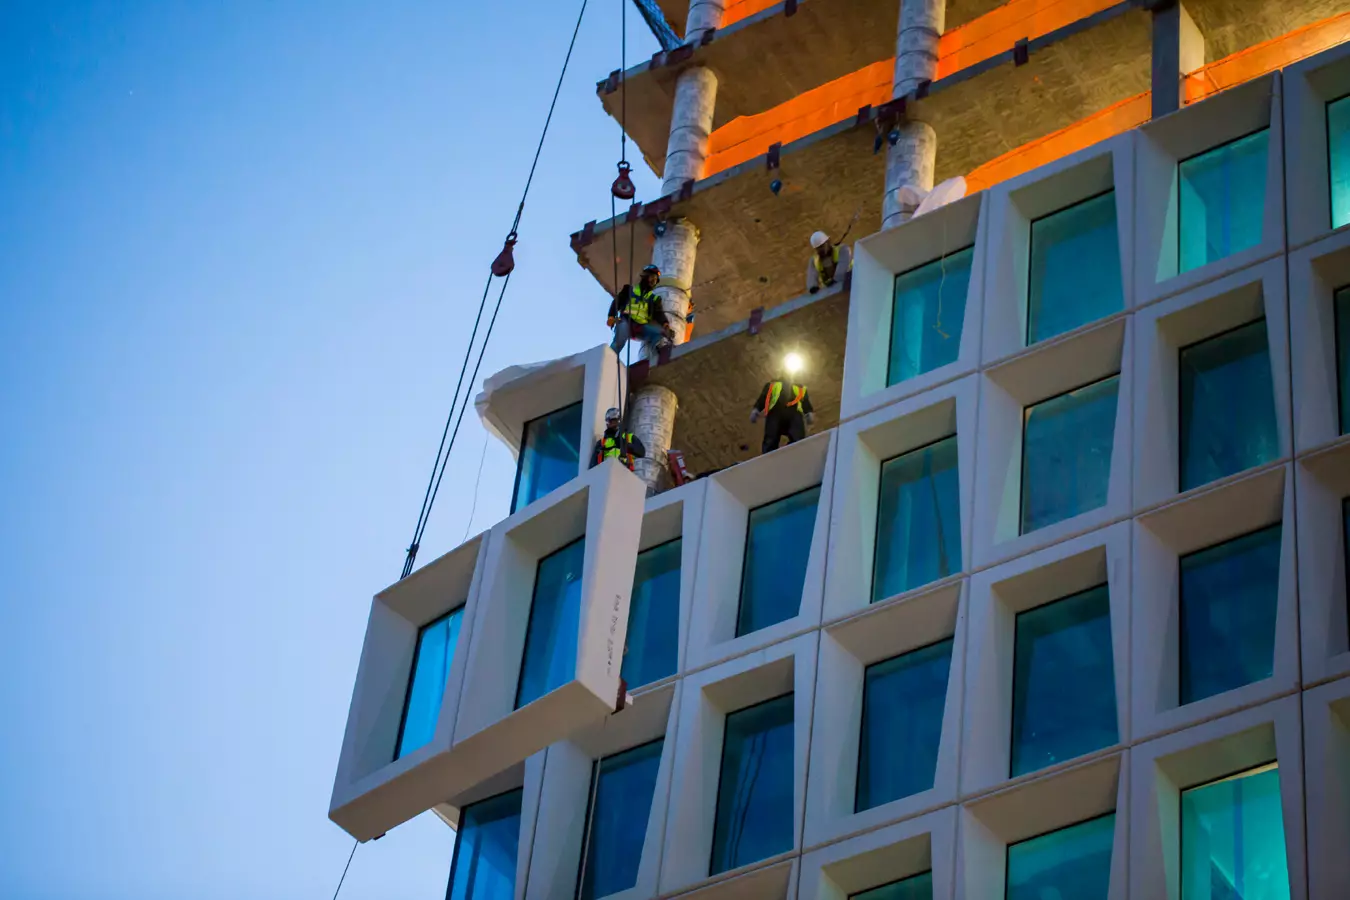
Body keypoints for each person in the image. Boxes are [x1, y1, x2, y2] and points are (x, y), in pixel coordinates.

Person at [608, 264, 672, 355]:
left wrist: (665, 324)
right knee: (619, 340)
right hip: (626, 321)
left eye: (655, 280)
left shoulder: (654, 299)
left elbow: (659, 313)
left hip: (641, 327)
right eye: (652, 278)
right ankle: (610, 356)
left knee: (659, 333)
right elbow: (616, 302)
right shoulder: (629, 290)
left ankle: (662, 352)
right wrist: (611, 316)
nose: (653, 281)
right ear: (645, 275)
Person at [751, 375, 814, 455]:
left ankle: (795, 453)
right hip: (775, 413)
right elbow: (763, 398)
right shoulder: (772, 385)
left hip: (794, 414)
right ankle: (769, 457)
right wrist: (756, 409)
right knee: (771, 438)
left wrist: (808, 412)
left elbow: (805, 402)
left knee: (798, 438)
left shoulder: (800, 388)